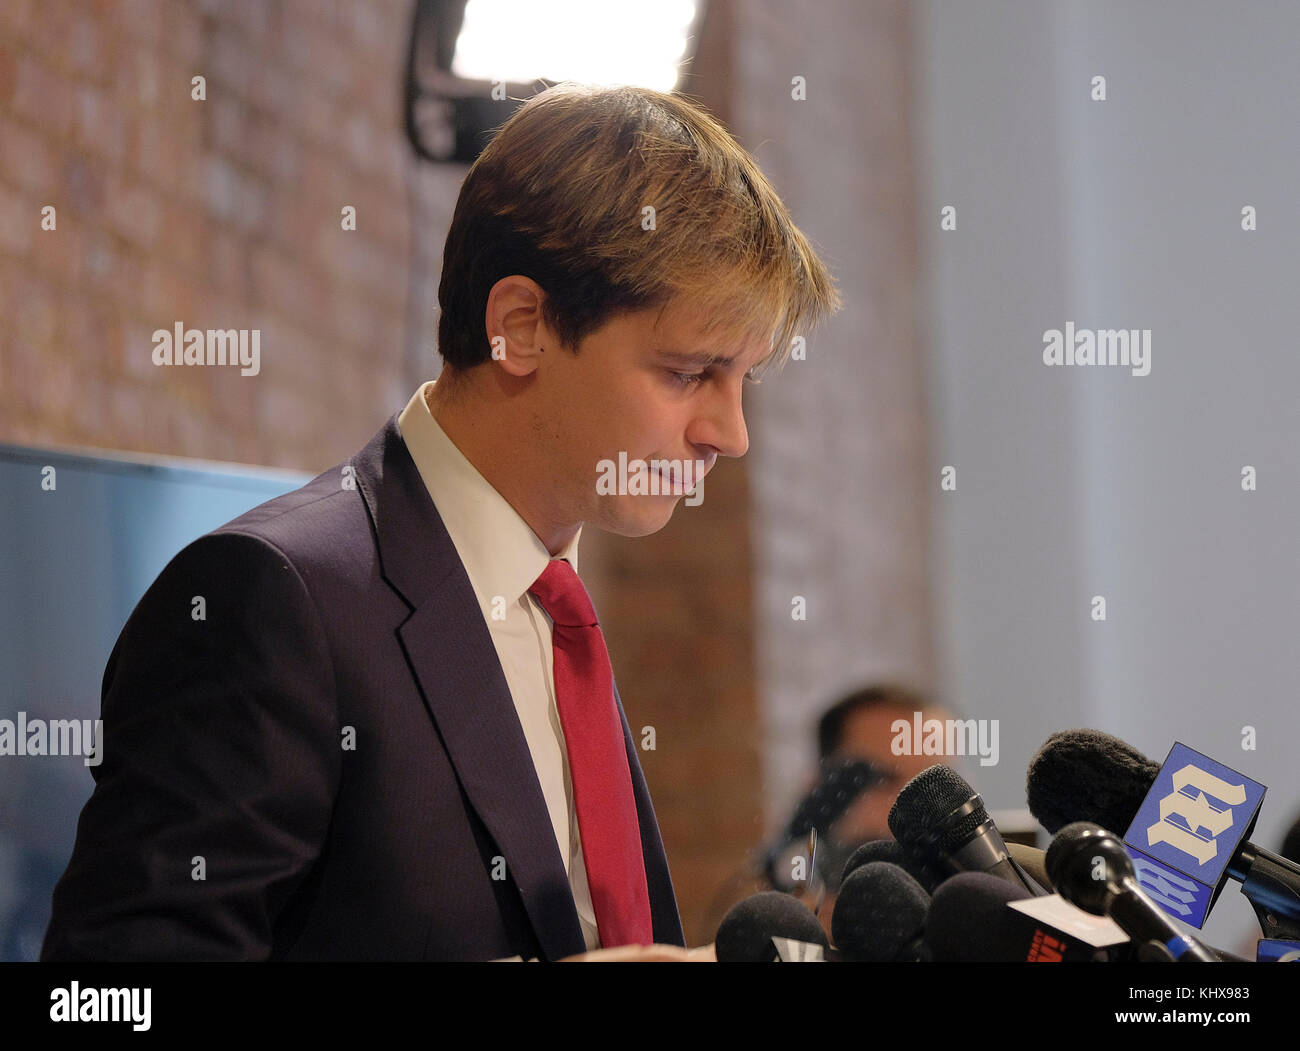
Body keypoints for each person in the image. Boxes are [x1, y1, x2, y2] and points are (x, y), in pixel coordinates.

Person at [41, 83, 839, 961]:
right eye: (690, 373)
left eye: (743, 383)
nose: (730, 435)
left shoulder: (554, 606)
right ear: (520, 327)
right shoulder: (271, 599)